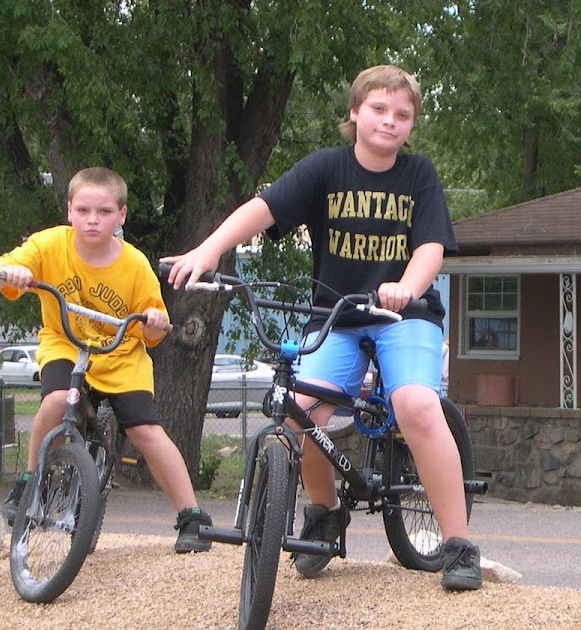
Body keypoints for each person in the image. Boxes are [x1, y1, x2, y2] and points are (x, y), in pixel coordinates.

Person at [162, 65, 481, 590]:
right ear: (355, 112)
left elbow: (431, 246)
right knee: (301, 410)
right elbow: (263, 208)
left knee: (417, 405)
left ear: (411, 125)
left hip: (405, 315)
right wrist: (210, 249)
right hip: (336, 316)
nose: (390, 122)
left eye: (403, 115)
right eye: (378, 109)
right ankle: (323, 511)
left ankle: (458, 545)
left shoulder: (418, 175)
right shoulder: (325, 169)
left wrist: (407, 284)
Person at [0, 167, 213, 554]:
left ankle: (191, 516)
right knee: (56, 402)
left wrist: (156, 321)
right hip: (66, 343)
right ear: (69, 210)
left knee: (145, 430)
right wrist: (12, 272)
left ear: (121, 215)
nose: (93, 220)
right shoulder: (48, 245)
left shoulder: (135, 264)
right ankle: (29, 480)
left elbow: (154, 334)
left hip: (120, 355)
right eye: (85, 210)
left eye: (105, 211)